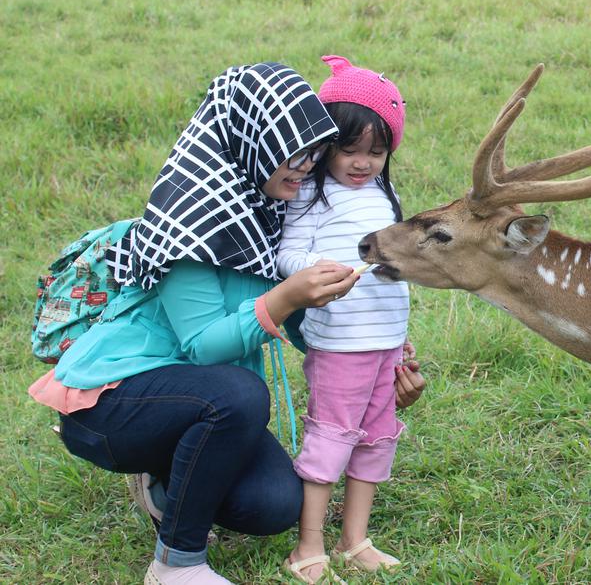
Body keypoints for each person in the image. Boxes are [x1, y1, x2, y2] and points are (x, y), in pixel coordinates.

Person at [27, 62, 425, 585]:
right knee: (237, 394)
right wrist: (282, 298)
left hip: (190, 398)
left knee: (273, 504)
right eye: (293, 151)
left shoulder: (263, 210)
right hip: (113, 401)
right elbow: (202, 348)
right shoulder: (186, 222)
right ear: (252, 140)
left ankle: (168, 482)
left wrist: (373, 361)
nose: (306, 167)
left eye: (312, 152)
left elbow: (304, 319)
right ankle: (176, 563)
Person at [275, 56, 416, 583]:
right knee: (332, 436)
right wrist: (314, 271)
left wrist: (403, 343)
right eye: (349, 150)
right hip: (338, 343)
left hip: (385, 341)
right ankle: (307, 545)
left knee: (376, 437)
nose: (362, 163)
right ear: (325, 145)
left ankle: (355, 540)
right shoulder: (312, 195)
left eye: (376, 152)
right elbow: (285, 256)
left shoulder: (384, 196)